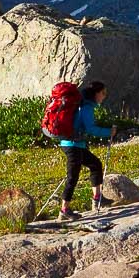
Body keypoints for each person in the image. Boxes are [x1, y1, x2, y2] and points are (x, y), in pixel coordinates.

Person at [56, 80, 112, 221]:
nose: (104, 96)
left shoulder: (82, 105)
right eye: (103, 93)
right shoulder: (86, 107)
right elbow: (90, 128)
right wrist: (109, 132)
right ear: (96, 94)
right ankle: (64, 210)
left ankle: (97, 198)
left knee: (95, 164)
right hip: (72, 145)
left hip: (74, 144)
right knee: (72, 177)